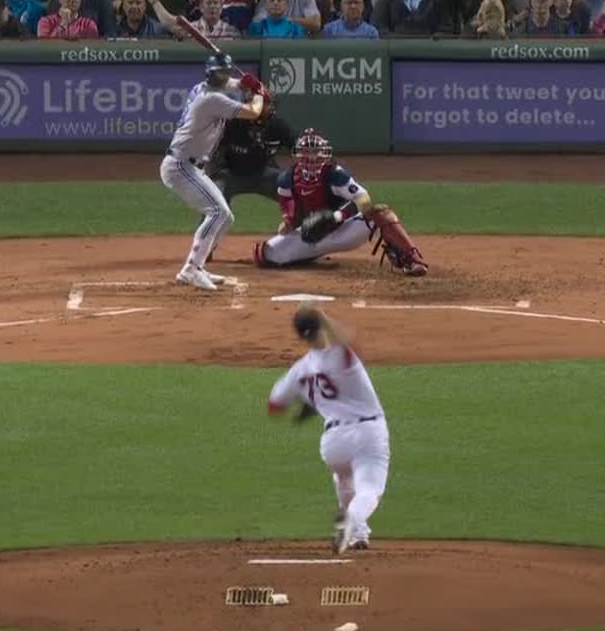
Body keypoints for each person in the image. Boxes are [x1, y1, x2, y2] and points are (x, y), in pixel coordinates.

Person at [266, 303, 392, 555]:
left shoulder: (299, 370)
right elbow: (350, 339)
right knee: (369, 489)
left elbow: (274, 405)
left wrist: (309, 399)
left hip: (333, 443)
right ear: (321, 327)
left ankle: (358, 534)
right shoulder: (341, 355)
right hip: (367, 433)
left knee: (344, 478)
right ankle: (350, 523)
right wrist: (323, 316)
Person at [253, 129, 428, 276]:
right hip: (311, 237)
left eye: (316, 152)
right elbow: (289, 214)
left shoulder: (335, 174)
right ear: (298, 154)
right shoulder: (286, 179)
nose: (312, 157)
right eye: (307, 151)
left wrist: (337, 216)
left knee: (381, 213)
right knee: (263, 255)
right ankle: (305, 256)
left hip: (344, 231)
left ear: (325, 153)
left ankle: (412, 259)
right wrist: (288, 224)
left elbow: (363, 199)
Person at [163, 54, 269, 291]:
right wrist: (259, 93)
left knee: (225, 216)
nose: (224, 76)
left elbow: (232, 83)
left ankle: (197, 266)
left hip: (190, 166)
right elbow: (253, 112)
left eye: (226, 72)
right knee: (217, 211)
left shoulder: (203, 87)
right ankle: (191, 269)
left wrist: (246, 83)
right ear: (211, 74)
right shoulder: (211, 100)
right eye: (221, 72)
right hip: (180, 166)